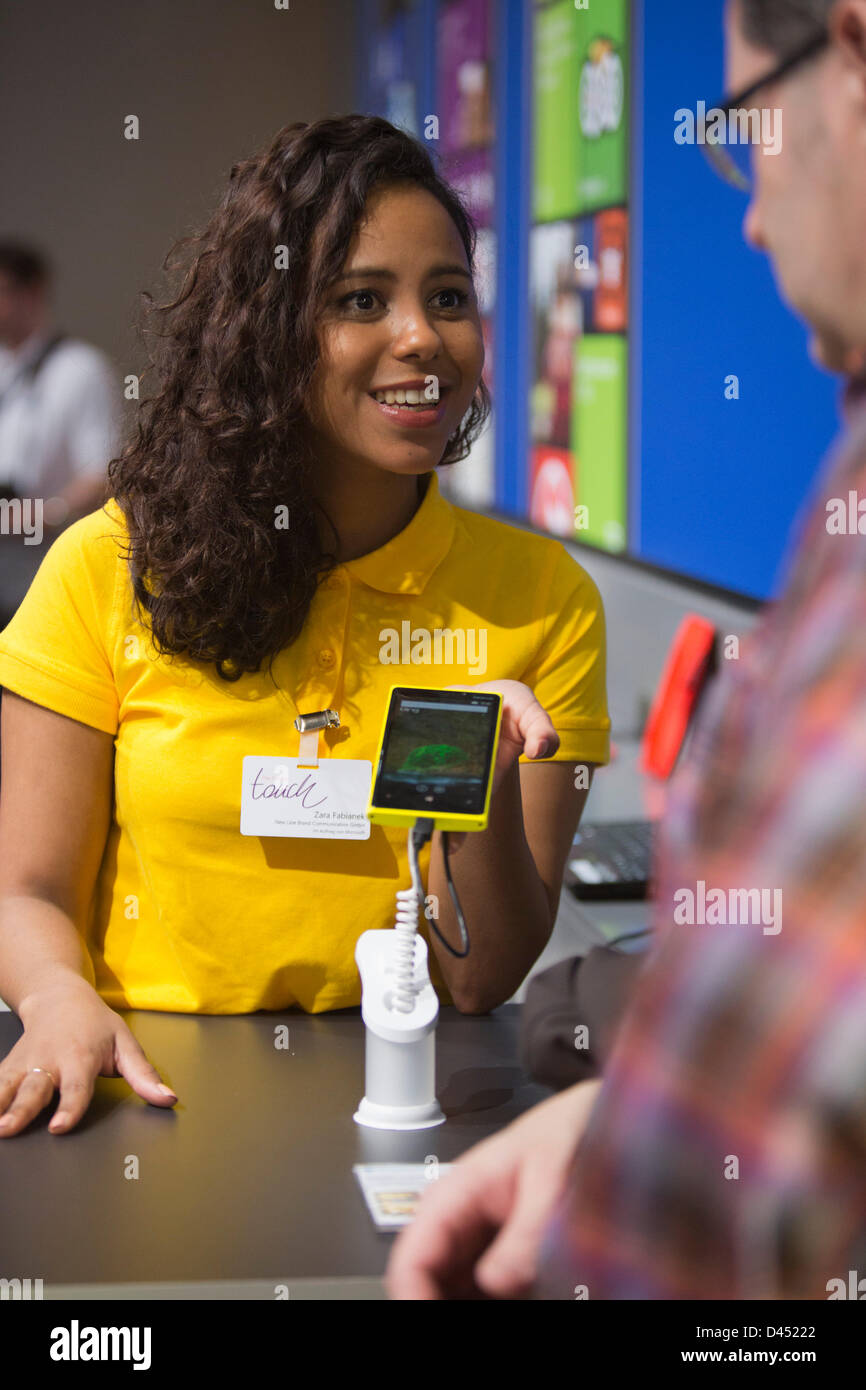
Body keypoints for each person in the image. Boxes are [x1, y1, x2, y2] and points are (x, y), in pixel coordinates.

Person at [0, 115, 611, 1138]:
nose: (421, 336)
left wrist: (484, 782)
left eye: (448, 297)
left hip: (414, 1094)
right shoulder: (108, 566)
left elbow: (480, 981)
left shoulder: (539, 599)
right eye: (361, 300)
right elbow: (24, 891)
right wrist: (57, 998)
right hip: (139, 1081)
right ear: (269, 328)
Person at [386, 0, 866, 1301]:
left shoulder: (535, 591)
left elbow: (759, 1136)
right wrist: (618, 1123)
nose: (750, 215)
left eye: (737, 131)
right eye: (359, 300)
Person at [0, 242, 120, 526]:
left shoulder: (81, 368)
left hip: (42, 546)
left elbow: (103, 474)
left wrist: (40, 515)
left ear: (33, 293)